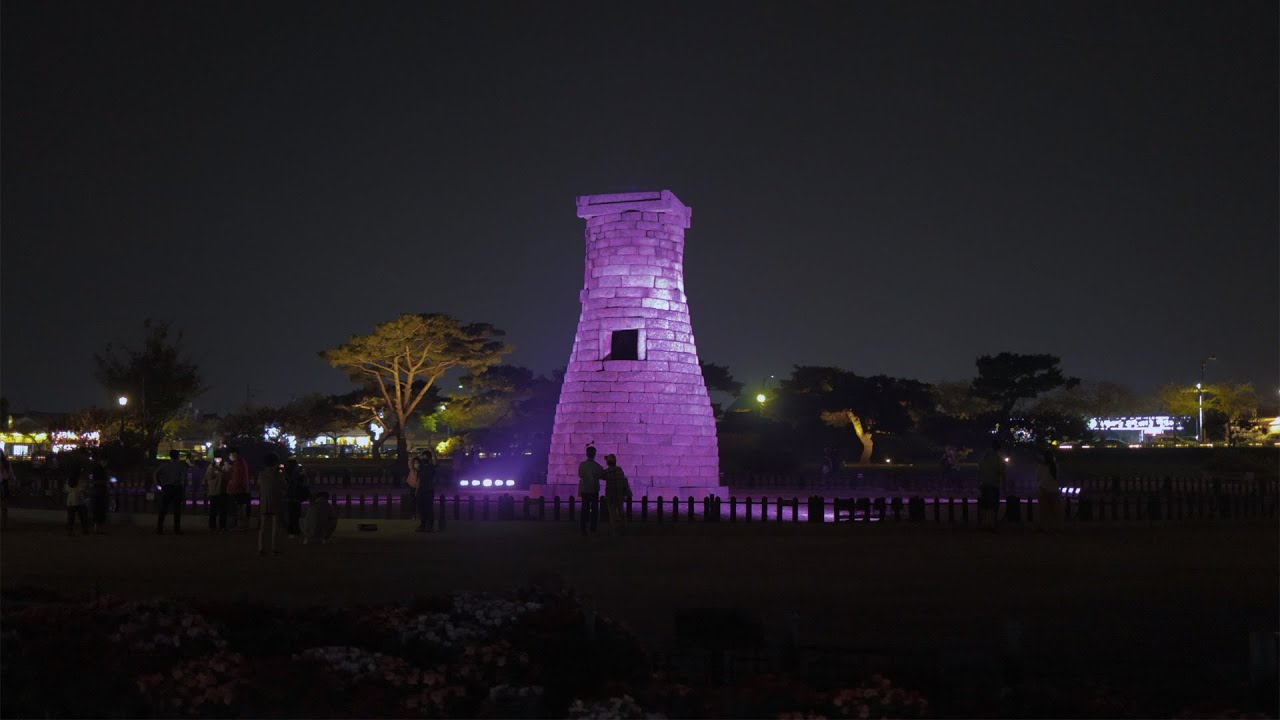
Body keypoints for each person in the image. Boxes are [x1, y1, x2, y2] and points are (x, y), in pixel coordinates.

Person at [153, 450, 188, 535]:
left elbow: (155, 474)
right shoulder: (181, 466)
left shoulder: (165, 465)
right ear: (178, 456)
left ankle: (159, 528)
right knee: (177, 509)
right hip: (177, 488)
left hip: (167, 488)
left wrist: (158, 484)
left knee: (163, 508)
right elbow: (184, 478)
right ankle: (176, 529)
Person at [256, 453, 285, 556]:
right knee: (276, 526)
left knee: (263, 526)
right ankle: (275, 548)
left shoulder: (261, 474)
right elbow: (283, 485)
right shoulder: (278, 475)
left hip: (265, 501)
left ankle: (261, 547)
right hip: (276, 501)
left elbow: (259, 485)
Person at [976, 439, 1006, 532]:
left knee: (985, 505)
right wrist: (1004, 485)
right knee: (993, 505)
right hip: (993, 484)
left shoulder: (985, 457)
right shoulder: (998, 459)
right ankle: (991, 524)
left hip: (984, 483)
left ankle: (984, 523)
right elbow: (1002, 471)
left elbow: (979, 469)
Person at [577, 445, 605, 536]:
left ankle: (583, 528)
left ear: (586, 454)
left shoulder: (582, 465)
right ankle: (593, 527)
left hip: (585, 489)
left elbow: (580, 475)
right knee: (594, 510)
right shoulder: (597, 466)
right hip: (594, 489)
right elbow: (601, 475)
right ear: (595, 454)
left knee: (584, 509)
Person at [602, 454, 632, 536]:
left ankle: (614, 531)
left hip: (611, 495)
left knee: (612, 514)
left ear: (608, 462)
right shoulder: (620, 470)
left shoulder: (607, 471)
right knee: (621, 512)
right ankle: (624, 528)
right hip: (619, 495)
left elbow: (602, 475)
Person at [1035, 449, 1061, 530]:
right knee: (1054, 511)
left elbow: (1037, 478)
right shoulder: (1055, 466)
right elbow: (1058, 478)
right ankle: (1055, 527)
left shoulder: (1041, 466)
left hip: (1043, 490)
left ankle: (1042, 527)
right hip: (1054, 490)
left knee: (1043, 511)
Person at [226, 448, 252, 530]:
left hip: (239, 490)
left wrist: (231, 487)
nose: (229, 456)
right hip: (242, 489)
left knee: (239, 508)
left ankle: (240, 525)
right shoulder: (241, 461)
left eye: (230, 454)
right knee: (241, 507)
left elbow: (237, 478)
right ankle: (242, 525)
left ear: (234, 454)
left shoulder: (238, 462)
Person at [203, 455, 230, 531]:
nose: (218, 460)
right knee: (213, 510)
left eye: (219, 458)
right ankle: (212, 526)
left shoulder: (225, 465)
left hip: (222, 490)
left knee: (223, 510)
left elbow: (228, 476)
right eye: (216, 458)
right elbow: (208, 476)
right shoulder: (211, 466)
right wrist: (213, 471)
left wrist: (221, 471)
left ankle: (222, 526)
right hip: (213, 491)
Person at [414, 451, 437, 532]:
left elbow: (435, 461)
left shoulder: (431, 467)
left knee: (429, 509)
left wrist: (433, 453)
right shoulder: (421, 467)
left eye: (425, 457)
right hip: (421, 490)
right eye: (423, 457)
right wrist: (417, 490)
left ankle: (430, 526)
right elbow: (419, 480)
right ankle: (422, 525)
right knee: (421, 509)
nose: (423, 458)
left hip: (429, 490)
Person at [283, 457, 307, 537]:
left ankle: (290, 530)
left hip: (288, 498)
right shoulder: (299, 476)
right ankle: (295, 530)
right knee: (295, 515)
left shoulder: (285, 476)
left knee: (290, 514)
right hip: (295, 498)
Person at [65, 468, 91, 536]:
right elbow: (82, 489)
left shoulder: (68, 480)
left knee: (71, 517)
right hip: (79, 500)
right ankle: (84, 529)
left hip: (70, 501)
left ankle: (70, 530)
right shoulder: (80, 481)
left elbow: (66, 490)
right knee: (83, 516)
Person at [88, 457, 111, 534]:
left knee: (97, 509)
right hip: (100, 491)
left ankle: (97, 527)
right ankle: (98, 527)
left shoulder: (97, 469)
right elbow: (98, 480)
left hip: (97, 491)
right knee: (100, 509)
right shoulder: (99, 470)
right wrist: (105, 482)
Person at [0, 449, 14, 532]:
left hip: (3, 484)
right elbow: (11, 475)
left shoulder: (6, 464)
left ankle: (4, 525)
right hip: (3, 484)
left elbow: (11, 475)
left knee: (4, 505)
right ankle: (4, 525)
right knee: (4, 506)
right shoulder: (6, 463)